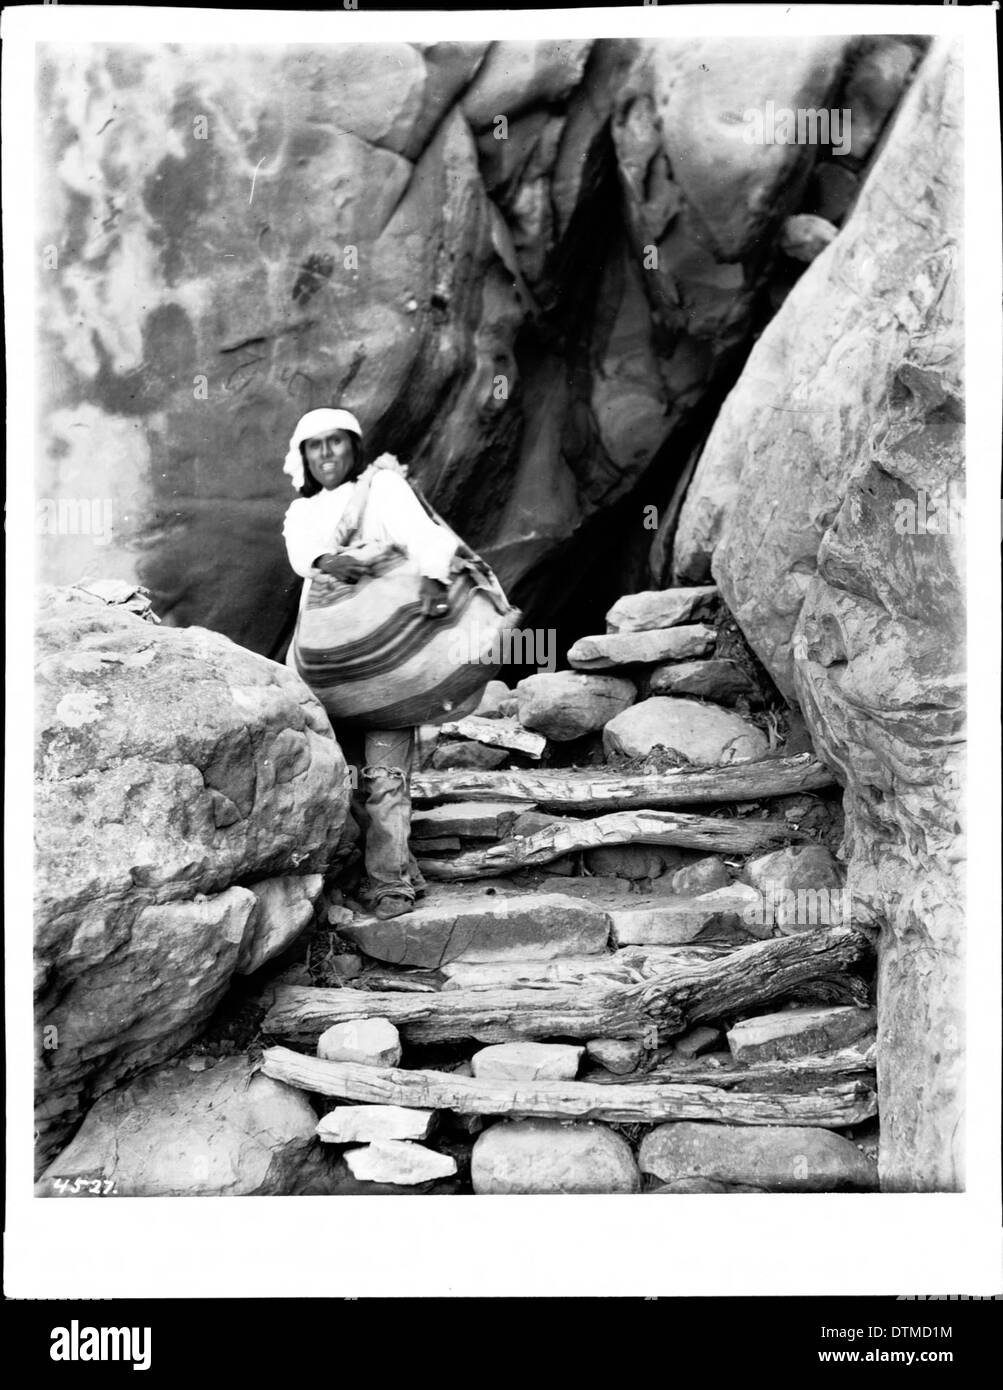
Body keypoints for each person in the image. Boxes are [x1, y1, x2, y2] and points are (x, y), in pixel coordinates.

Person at [281, 408, 458, 921]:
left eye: (336, 442)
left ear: (353, 448)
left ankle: (388, 886)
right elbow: (302, 554)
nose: (326, 454)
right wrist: (327, 562)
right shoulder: (302, 513)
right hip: (327, 663)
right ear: (304, 456)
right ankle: (396, 867)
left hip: (384, 661)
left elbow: (424, 537)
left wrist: (434, 577)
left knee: (384, 775)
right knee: (346, 774)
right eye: (315, 446)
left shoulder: (382, 490)